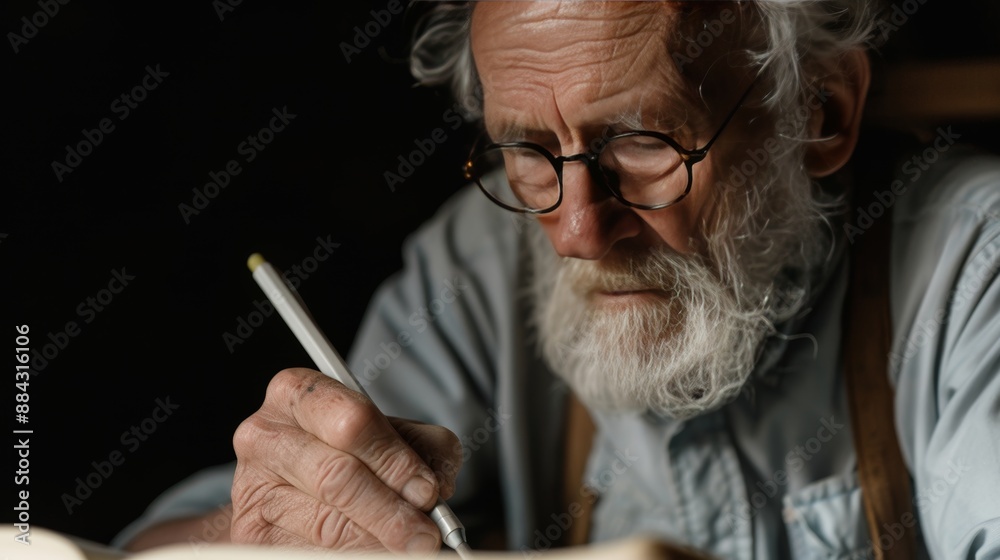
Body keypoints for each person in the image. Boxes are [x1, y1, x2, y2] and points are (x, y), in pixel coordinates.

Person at [116, 1, 1000, 558]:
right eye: (530, 153)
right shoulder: (485, 255)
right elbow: (143, 546)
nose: (577, 232)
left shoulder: (974, 266)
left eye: (645, 143)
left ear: (819, 113)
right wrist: (260, 524)